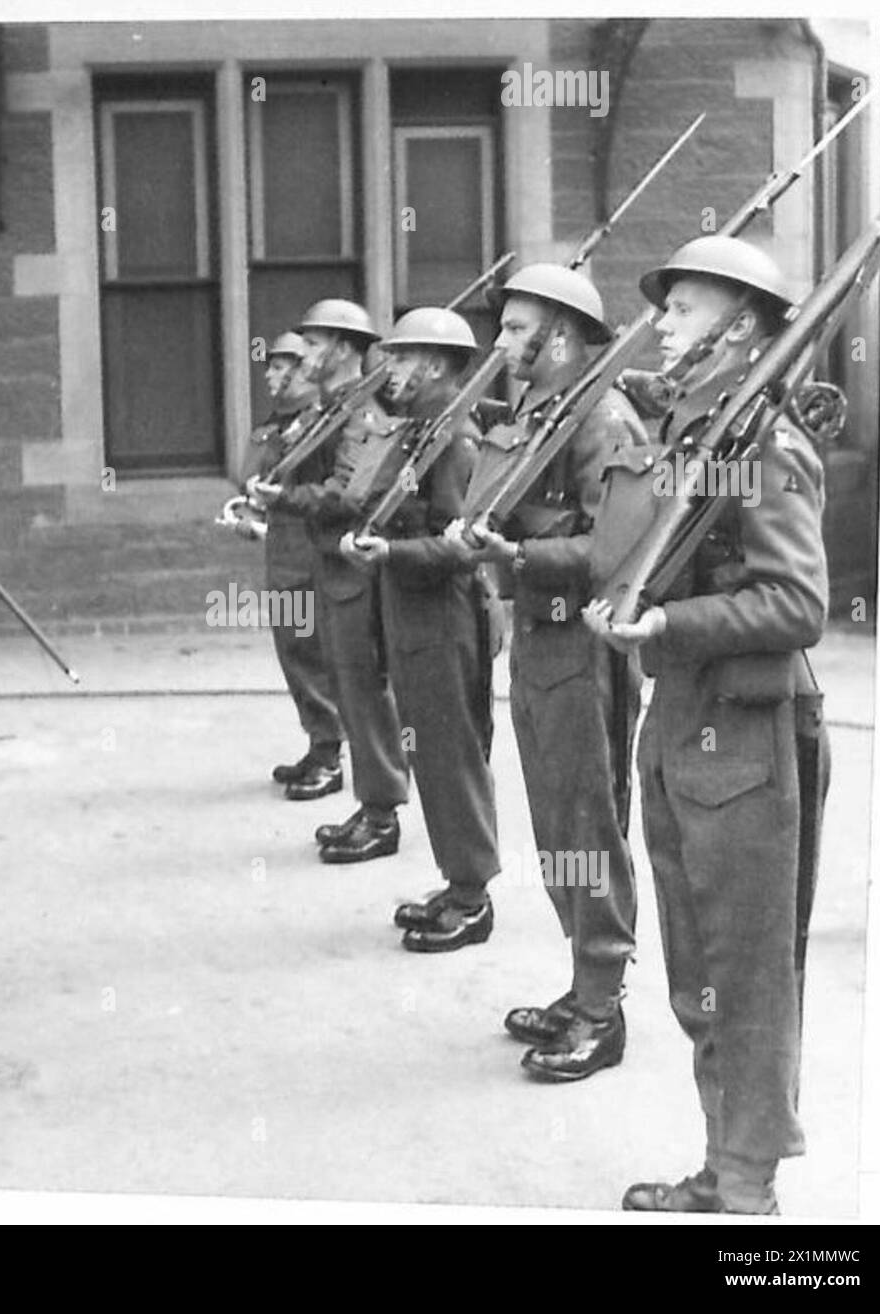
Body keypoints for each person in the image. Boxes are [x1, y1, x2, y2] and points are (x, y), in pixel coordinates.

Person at [583, 235, 829, 1212]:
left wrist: (665, 622)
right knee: (700, 969)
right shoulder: (695, 438)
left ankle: (746, 1191)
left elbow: (796, 605)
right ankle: (725, 1168)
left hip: (749, 730)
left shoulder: (764, 444)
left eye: (680, 312)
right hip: (682, 717)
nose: (661, 327)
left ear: (738, 324)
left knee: (746, 971)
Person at [457, 265, 648, 1080]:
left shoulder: (604, 420)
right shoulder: (545, 410)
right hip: (541, 638)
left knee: (587, 824)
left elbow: (622, 551)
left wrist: (517, 555)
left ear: (560, 336)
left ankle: (602, 1013)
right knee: (555, 826)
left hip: (582, 647)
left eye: (514, 328)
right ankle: (582, 985)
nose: (500, 343)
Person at [340, 307, 504, 951]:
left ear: (435, 365)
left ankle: (472, 896)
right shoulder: (419, 433)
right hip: (409, 611)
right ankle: (457, 880)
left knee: (451, 756)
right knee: (429, 755)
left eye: (404, 358)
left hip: (444, 617)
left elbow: (464, 545)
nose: (392, 370)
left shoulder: (457, 440)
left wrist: (393, 555)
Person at [252, 300, 410, 863]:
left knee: (365, 694)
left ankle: (384, 811)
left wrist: (285, 499)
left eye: (316, 345)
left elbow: (351, 494)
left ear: (345, 348)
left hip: (352, 573)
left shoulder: (362, 411)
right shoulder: (333, 407)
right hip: (328, 568)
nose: (306, 356)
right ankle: (371, 805)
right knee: (348, 688)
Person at [231, 332, 344, 800]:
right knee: (294, 654)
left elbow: (333, 491)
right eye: (271, 368)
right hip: (281, 555)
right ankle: (319, 746)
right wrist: (245, 513)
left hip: (311, 557)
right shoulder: (271, 428)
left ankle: (332, 756)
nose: (273, 377)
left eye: (286, 368)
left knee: (316, 654)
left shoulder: (324, 428)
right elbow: (253, 483)